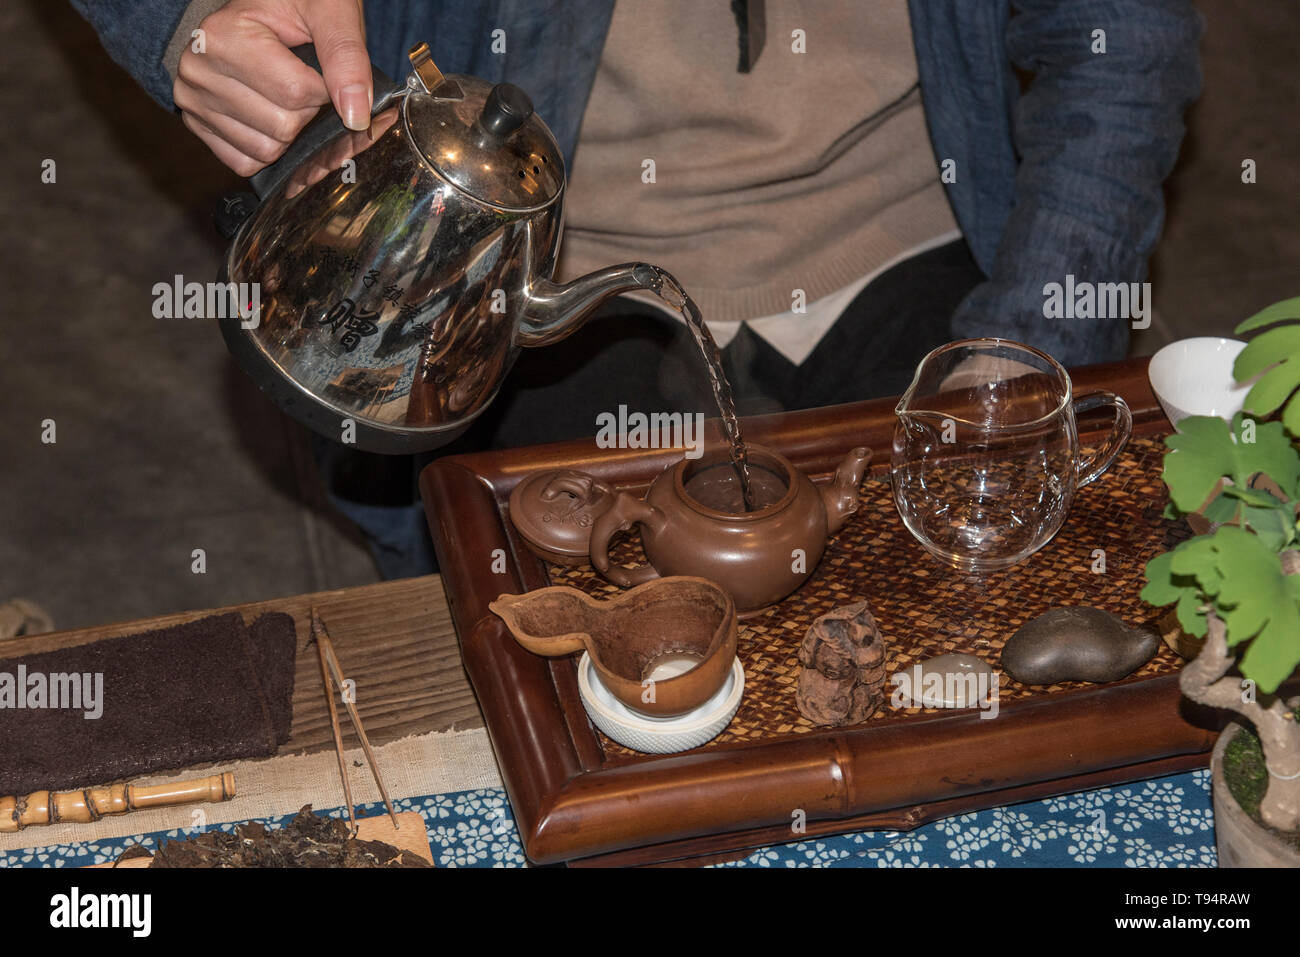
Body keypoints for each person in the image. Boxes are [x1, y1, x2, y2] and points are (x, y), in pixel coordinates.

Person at [72, 0, 1203, 577]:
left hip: (916, 237)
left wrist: (1030, 338)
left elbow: (1121, 38)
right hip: (552, 273)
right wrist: (185, 19)